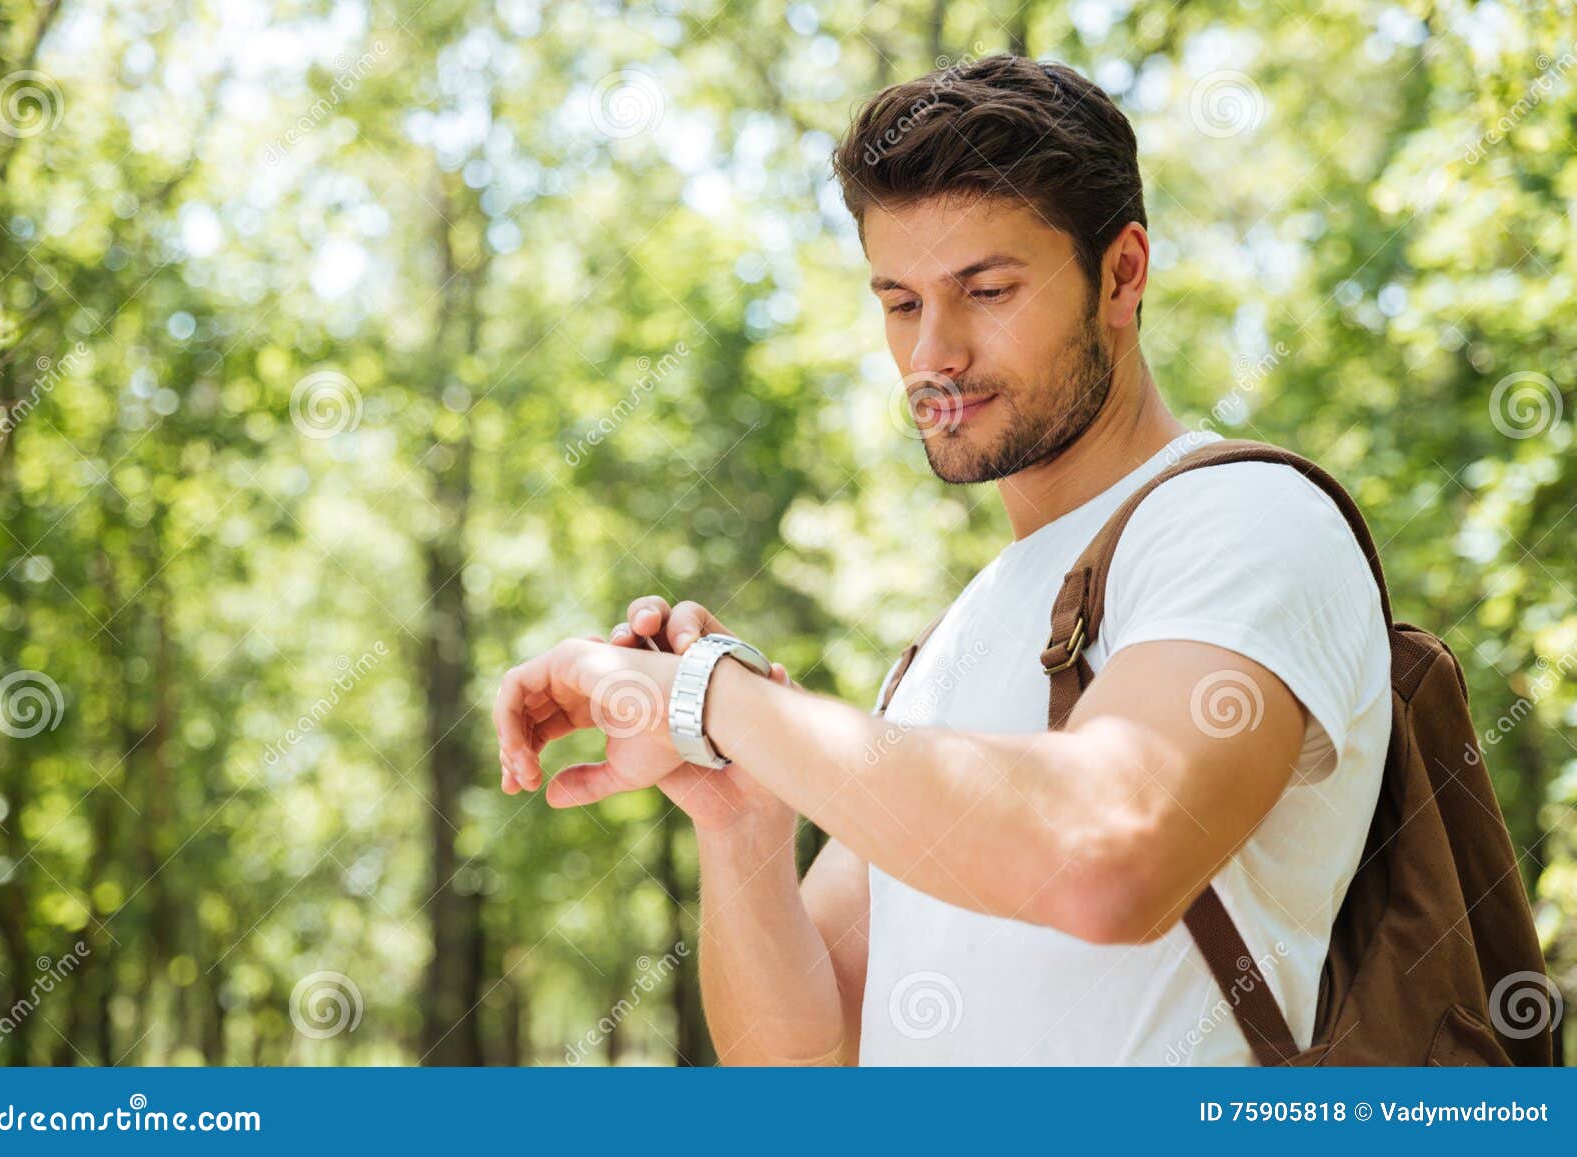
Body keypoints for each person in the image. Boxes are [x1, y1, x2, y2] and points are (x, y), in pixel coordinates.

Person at [494, 54, 1389, 1066]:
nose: (934, 356)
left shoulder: (1242, 518)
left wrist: (706, 696)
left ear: (1121, 274)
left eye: (987, 288)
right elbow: (802, 1060)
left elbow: (1110, 856)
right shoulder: (955, 639)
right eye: (902, 302)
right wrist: (741, 818)